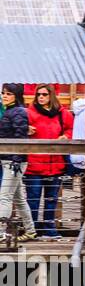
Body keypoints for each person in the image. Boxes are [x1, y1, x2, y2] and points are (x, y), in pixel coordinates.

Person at [24, 84, 73, 239]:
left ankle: (49, 229)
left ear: (51, 95)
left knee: (51, 200)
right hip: (34, 164)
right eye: (38, 94)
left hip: (55, 164)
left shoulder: (62, 113)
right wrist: (25, 129)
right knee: (33, 199)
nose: (41, 97)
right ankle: (32, 230)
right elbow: (17, 129)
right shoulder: (29, 113)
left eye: (44, 94)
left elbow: (70, 129)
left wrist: (66, 136)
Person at [0, 84, 35, 241]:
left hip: (13, 162)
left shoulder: (18, 112)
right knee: (19, 199)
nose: (4, 96)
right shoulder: (10, 111)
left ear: (17, 95)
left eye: (8, 93)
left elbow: (21, 137)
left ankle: (2, 233)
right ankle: (31, 231)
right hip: (10, 160)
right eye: (3, 93)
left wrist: (16, 159)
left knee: (4, 197)